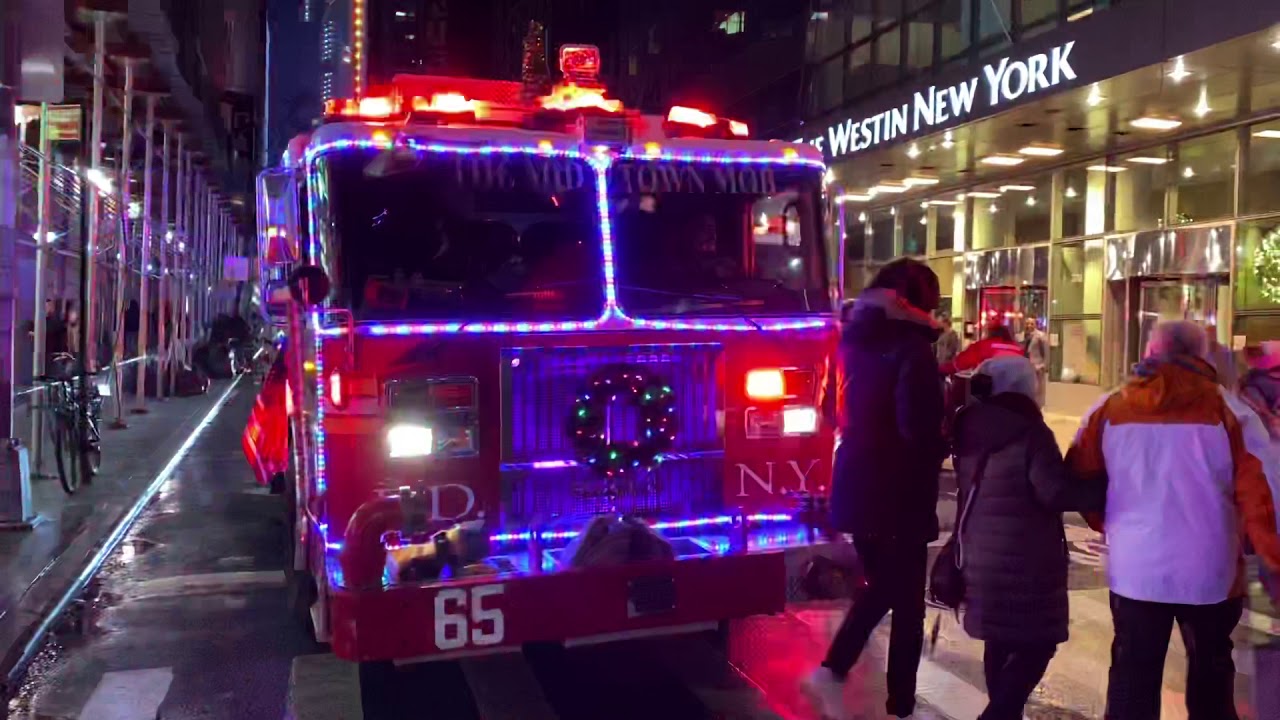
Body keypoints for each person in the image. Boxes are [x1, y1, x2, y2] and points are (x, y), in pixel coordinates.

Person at [1067, 320, 1280, 719]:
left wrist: (1111, 524)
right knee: (1212, 673)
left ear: (1150, 352)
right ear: (1202, 355)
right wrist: (1272, 559)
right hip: (1210, 571)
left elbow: (1080, 480)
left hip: (1135, 571)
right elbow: (1262, 497)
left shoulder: (1108, 408)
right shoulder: (1229, 411)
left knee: (1133, 673)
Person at [806, 258, 945, 720]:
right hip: (899, 492)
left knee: (887, 588)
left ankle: (842, 673)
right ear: (919, 302)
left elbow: (828, 411)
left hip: (855, 485)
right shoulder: (913, 349)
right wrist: (950, 433)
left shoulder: (849, 342)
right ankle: (896, 703)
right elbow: (917, 429)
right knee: (903, 601)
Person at [953, 356, 1106, 720]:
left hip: (979, 551)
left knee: (1000, 640)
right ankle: (998, 715)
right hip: (1025, 557)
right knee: (1039, 642)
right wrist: (1100, 483)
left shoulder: (969, 426)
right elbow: (1054, 493)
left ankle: (1005, 714)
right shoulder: (1030, 432)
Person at [939, 324, 1023, 375]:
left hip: (991, 395)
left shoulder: (982, 346)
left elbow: (959, 364)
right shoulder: (1018, 349)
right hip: (1020, 395)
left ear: (990, 333)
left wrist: (940, 369)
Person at [1021, 318, 1050, 407]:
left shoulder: (1041, 336)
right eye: (1027, 323)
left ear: (1035, 325)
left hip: (1037, 367)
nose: (1029, 326)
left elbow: (1046, 352)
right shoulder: (1022, 336)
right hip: (1025, 367)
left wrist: (1043, 366)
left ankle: (1038, 408)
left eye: (1031, 324)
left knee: (1038, 390)